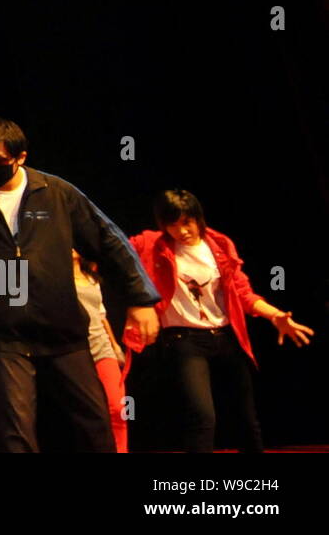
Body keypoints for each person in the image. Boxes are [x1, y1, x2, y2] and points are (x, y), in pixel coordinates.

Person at [0, 117, 161, 453]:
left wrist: (140, 299)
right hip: (5, 335)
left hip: (64, 331)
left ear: (21, 157)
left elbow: (109, 240)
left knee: (93, 424)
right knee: (14, 432)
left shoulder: (56, 193)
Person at [129, 189, 314, 453]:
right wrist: (136, 303)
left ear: (197, 218)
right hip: (184, 340)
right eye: (172, 224)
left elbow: (243, 292)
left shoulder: (219, 244)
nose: (181, 231)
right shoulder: (151, 244)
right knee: (202, 417)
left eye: (186, 222)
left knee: (246, 418)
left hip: (225, 337)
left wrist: (275, 315)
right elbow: (115, 251)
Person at [72, 251, 127, 453]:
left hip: (102, 347)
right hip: (75, 351)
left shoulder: (91, 277)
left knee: (119, 406)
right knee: (90, 411)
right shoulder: (56, 277)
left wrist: (114, 344)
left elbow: (101, 314)